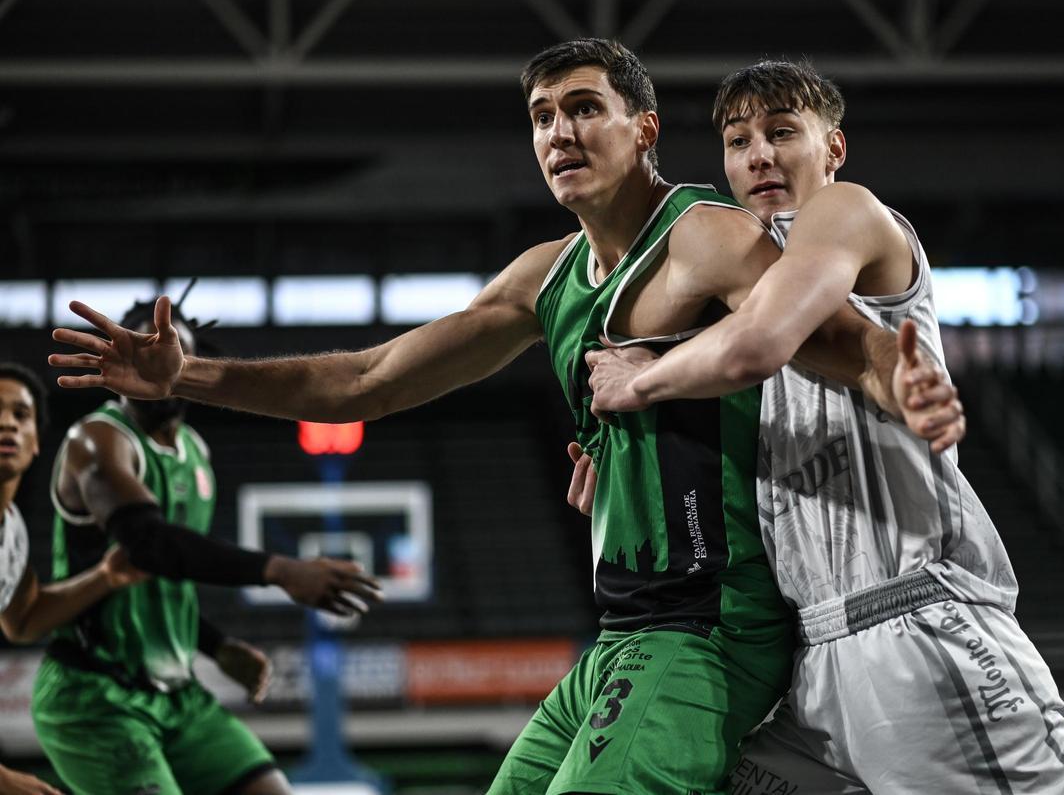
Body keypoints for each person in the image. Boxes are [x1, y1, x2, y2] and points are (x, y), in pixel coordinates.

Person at [47, 41, 960, 794]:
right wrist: (187, 377)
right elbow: (367, 380)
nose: (560, 130)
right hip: (624, 634)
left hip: (708, 630)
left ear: (644, 129)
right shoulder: (546, 277)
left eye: (582, 108)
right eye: (541, 117)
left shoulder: (704, 236)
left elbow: (838, 339)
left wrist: (901, 375)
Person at [584, 59, 1064, 793]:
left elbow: (763, 338)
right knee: (685, 775)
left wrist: (641, 378)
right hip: (815, 669)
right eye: (737, 140)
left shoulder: (842, 214)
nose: (758, 153)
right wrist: (620, 463)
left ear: (834, 149)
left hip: (920, 623)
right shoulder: (730, 299)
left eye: (782, 131)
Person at [33, 300, 382, 795]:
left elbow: (153, 580)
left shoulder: (196, 454)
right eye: (142, 350)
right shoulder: (97, 439)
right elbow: (149, 545)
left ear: (190, 368)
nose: (155, 361)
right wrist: (281, 569)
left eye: (172, 353)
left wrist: (215, 646)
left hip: (178, 693)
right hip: (96, 694)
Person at [0, 362, 146, 795]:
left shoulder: (12, 531)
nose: (6, 423)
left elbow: (22, 618)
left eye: (20, 414)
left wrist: (103, 577)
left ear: (37, 444)